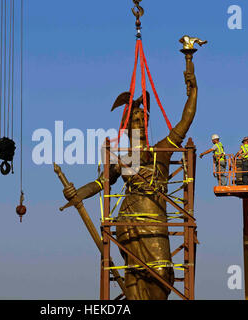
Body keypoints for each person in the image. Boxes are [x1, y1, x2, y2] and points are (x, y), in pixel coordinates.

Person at [62, 62, 198, 300]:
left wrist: (193, 90)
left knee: (161, 274)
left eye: (142, 118)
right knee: (133, 278)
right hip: (128, 222)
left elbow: (184, 122)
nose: (139, 122)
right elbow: (101, 183)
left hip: (155, 220)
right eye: (134, 120)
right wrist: (78, 193)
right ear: (125, 128)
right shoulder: (121, 158)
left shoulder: (161, 150)